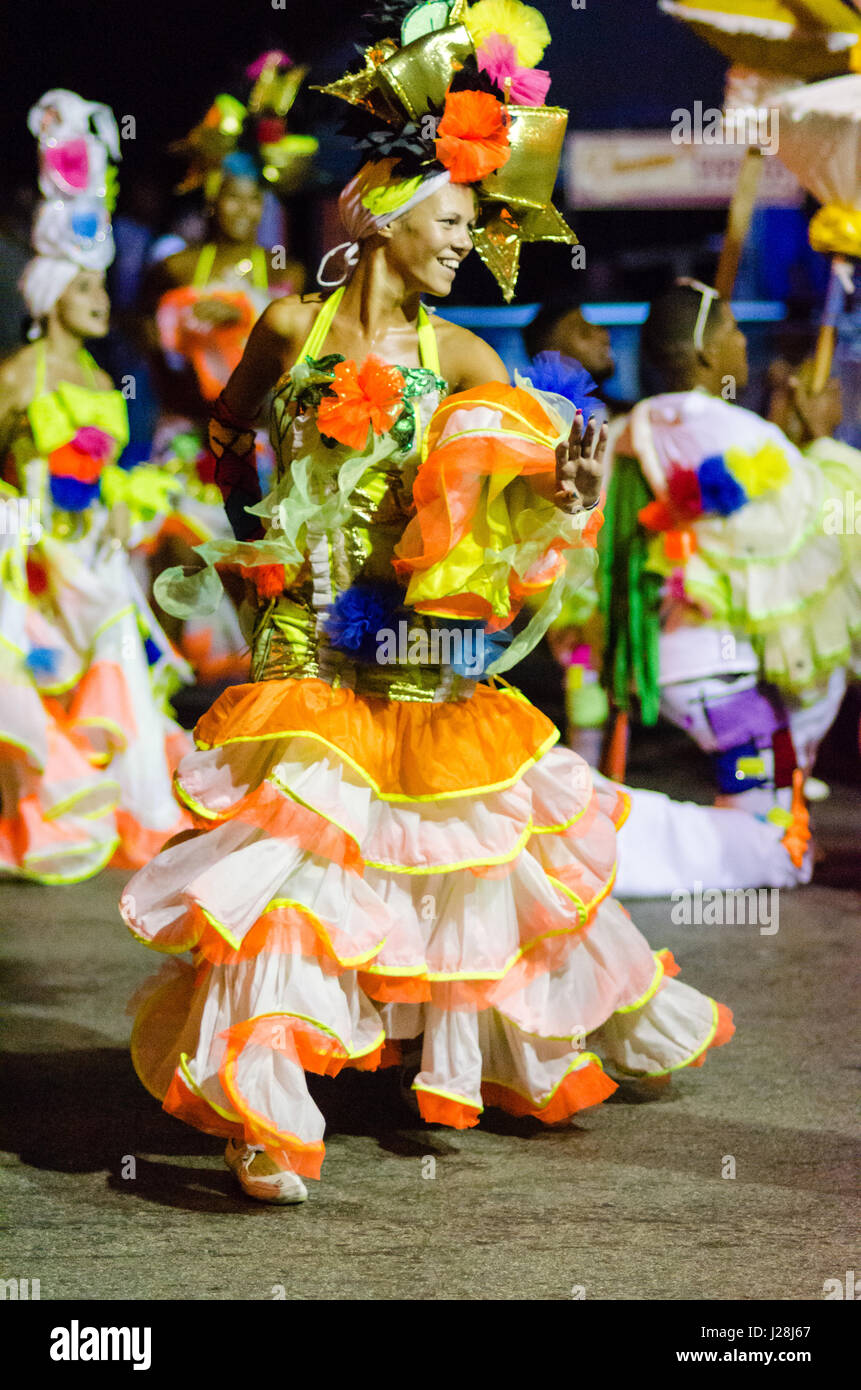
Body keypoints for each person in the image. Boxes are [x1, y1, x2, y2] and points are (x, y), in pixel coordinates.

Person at [121, 4, 733, 1205]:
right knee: (293, 866)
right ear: (393, 215)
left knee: (475, 854)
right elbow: (229, 429)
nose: (466, 245)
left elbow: (516, 490)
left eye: (473, 225)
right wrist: (260, 525)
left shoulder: (463, 362)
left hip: (415, 649)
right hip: (305, 641)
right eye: (454, 223)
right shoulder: (290, 327)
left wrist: (558, 483)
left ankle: (562, 1030)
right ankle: (264, 1106)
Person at [599, 278, 860, 886]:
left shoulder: (638, 425)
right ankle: (617, 854)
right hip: (713, 670)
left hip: (674, 657)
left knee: (764, 797)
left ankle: (627, 839)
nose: (746, 344)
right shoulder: (734, 430)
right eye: (735, 331)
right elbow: (814, 520)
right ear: (703, 356)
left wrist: (783, 433)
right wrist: (820, 436)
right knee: (775, 844)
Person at [0, 89, 191, 881]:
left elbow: (111, 464)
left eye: (100, 289)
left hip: (97, 548)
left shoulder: (97, 370)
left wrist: (120, 496)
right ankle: (41, 815)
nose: (98, 302)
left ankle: (134, 809)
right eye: (83, 291)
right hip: (34, 549)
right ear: (49, 298)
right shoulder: (18, 374)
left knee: (121, 650)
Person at [141, 53, 313, 682]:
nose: (243, 212)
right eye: (232, 199)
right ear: (213, 198)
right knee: (175, 542)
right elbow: (144, 339)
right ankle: (165, 675)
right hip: (189, 430)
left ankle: (258, 669)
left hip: (256, 436)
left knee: (256, 554)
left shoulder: (284, 275)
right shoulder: (179, 269)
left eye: (254, 201)